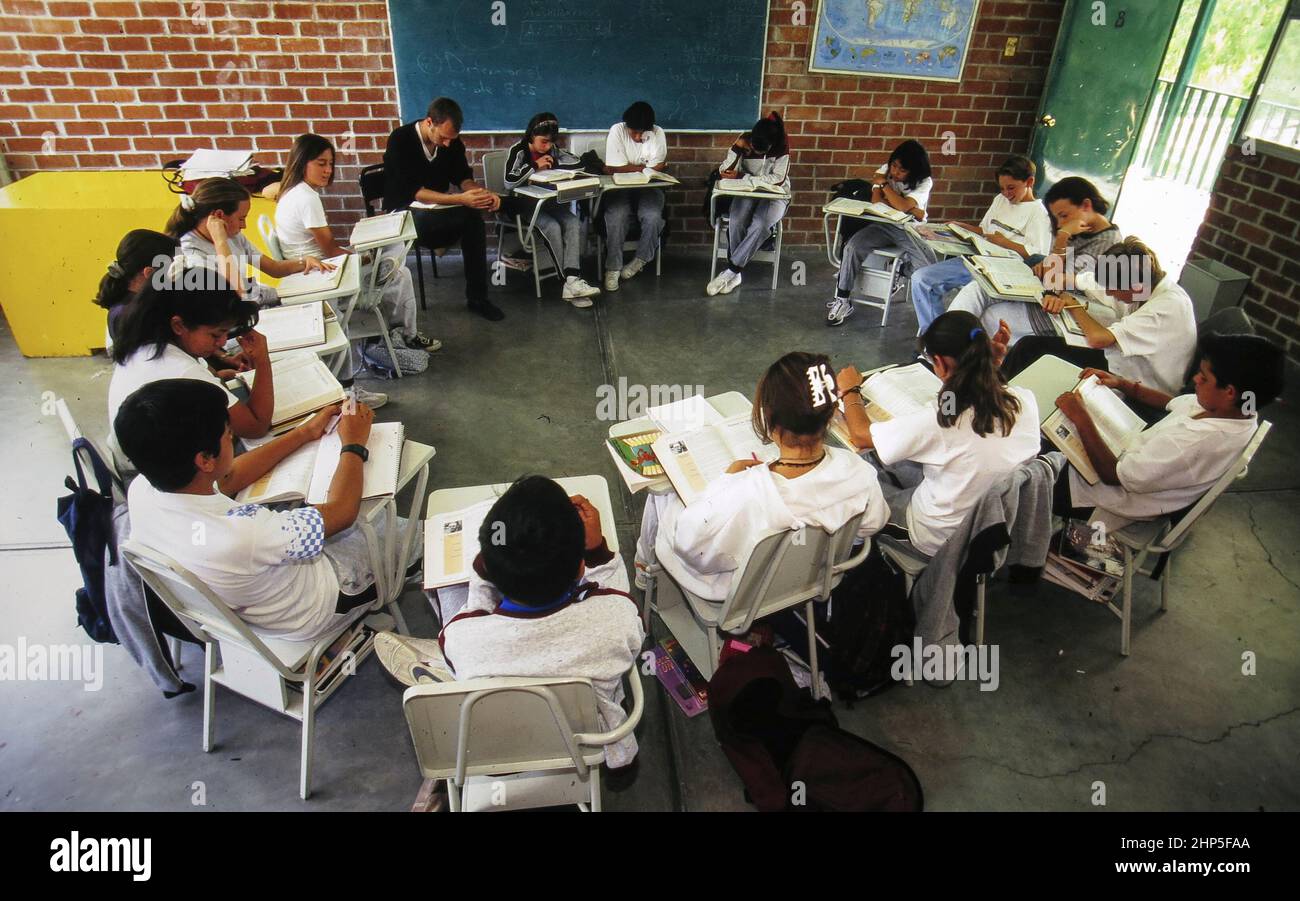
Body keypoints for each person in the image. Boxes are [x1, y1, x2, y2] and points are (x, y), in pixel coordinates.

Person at [378, 476, 644, 774]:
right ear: (581, 568)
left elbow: (476, 609)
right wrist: (597, 551)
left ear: (488, 570)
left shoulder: (461, 638)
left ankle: (432, 668)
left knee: (447, 598)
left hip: (498, 741)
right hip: (584, 741)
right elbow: (616, 598)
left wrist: (491, 559)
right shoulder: (616, 618)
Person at [117, 378, 409, 639]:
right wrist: (354, 444)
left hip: (250, 610)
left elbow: (230, 477)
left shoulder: (142, 488)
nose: (232, 438)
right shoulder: (241, 534)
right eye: (227, 434)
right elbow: (342, 513)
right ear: (204, 460)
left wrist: (305, 432)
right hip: (314, 608)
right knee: (404, 530)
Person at [636, 352, 890, 601]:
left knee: (664, 495)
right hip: (817, 576)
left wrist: (723, 484)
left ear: (771, 423)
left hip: (742, 593)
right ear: (832, 413)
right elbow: (871, 524)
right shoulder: (861, 472)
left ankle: (644, 568)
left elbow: (690, 549)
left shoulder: (743, 493)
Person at [837, 311, 1040, 557]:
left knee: (849, 485)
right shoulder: (1024, 400)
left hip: (935, 536)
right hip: (989, 526)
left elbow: (860, 435)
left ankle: (850, 559)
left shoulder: (944, 420)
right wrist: (989, 366)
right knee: (895, 460)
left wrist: (850, 390)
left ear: (941, 363)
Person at [1051, 333, 1284, 526]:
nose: (1195, 379)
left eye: (1203, 377)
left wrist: (1082, 418)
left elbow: (1113, 476)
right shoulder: (1240, 410)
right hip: (1133, 462)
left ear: (1229, 392)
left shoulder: (1193, 442)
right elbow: (1170, 402)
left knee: (1033, 462)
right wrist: (1121, 383)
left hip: (1106, 499)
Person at [276, 133, 438, 354]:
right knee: (401, 274)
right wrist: (364, 257)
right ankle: (407, 336)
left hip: (314, 268)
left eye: (331, 164)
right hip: (324, 276)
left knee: (391, 251)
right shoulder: (307, 199)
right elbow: (331, 251)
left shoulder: (291, 191)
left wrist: (364, 254)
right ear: (302, 162)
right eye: (321, 164)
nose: (327, 170)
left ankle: (397, 329)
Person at [1000, 238, 1198, 398]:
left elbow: (1098, 339)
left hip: (1142, 386)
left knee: (1037, 352)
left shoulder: (1167, 307)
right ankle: (1000, 390)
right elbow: (1086, 282)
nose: (1111, 295)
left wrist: (1072, 305)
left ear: (1135, 287)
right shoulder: (1143, 285)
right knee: (1030, 346)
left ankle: (1003, 397)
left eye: (1115, 291)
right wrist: (1054, 282)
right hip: (1123, 363)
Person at [107, 266, 273, 449]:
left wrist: (215, 378)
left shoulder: (147, 341)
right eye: (215, 335)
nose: (223, 342)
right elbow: (256, 426)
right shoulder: (180, 369)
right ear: (178, 325)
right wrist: (262, 360)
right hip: (163, 471)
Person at [949, 175, 1124, 341]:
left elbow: (1058, 280)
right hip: (1040, 291)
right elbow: (1052, 267)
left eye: (1064, 216)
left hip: (1062, 309)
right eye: (1057, 218)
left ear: (1086, 205)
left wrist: (1062, 238)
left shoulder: (1106, 243)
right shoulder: (1078, 229)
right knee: (976, 289)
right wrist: (1048, 263)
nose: (1061, 223)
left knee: (989, 318)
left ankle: (949, 356)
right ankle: (938, 349)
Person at [382, 96, 504, 321]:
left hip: (436, 209)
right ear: (430, 122)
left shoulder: (451, 142)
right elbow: (414, 192)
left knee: (473, 218)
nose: (448, 143)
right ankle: (441, 244)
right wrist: (461, 199)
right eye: (444, 137)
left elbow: (462, 177)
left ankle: (478, 298)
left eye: (452, 139)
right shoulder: (401, 139)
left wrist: (480, 195)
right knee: (461, 212)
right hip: (403, 213)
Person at [908, 155, 1052, 332]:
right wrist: (961, 227)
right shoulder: (1000, 200)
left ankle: (945, 342)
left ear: (1029, 182)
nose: (1006, 193)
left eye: (1011, 188)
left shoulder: (1039, 213)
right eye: (1002, 188)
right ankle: (932, 337)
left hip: (1003, 271)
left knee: (969, 296)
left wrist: (1005, 242)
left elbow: (1037, 258)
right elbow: (984, 231)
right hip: (979, 259)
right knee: (922, 279)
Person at [165, 177, 331, 309]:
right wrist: (220, 242)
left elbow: (274, 268)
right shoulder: (190, 254)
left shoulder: (233, 236)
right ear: (219, 215)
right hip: (239, 318)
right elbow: (238, 296)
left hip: (262, 301)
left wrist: (305, 261)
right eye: (241, 218)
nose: (244, 225)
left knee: (323, 304)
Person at [827, 139, 935, 326]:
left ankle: (900, 270)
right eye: (894, 166)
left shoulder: (924, 182)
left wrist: (886, 189)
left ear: (914, 172)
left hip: (909, 228)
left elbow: (900, 205)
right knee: (852, 247)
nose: (894, 172)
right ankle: (842, 299)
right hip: (882, 224)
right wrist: (908, 207)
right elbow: (877, 202)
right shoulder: (885, 169)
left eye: (902, 170)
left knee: (928, 268)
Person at [503, 112, 602, 307]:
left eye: (551, 142)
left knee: (572, 221)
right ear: (531, 135)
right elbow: (508, 181)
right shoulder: (519, 150)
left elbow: (578, 162)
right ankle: (570, 282)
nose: (547, 146)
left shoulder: (552, 149)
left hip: (548, 203)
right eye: (543, 142)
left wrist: (555, 161)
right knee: (552, 227)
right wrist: (533, 166)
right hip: (526, 206)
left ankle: (572, 283)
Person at [705, 111, 792, 297]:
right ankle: (736, 273)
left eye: (762, 151)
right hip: (745, 191)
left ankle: (732, 270)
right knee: (737, 219)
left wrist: (744, 177)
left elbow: (777, 180)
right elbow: (724, 171)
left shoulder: (781, 148)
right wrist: (737, 149)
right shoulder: (744, 140)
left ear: (771, 145)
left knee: (761, 225)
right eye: (754, 148)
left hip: (774, 195)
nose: (756, 152)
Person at [602, 100, 668, 293]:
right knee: (617, 215)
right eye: (634, 132)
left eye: (643, 133)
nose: (639, 137)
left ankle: (641, 259)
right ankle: (613, 267)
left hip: (649, 186)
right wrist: (646, 167)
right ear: (626, 126)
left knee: (653, 216)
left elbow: (658, 168)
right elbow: (614, 168)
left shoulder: (658, 133)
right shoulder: (617, 130)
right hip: (619, 187)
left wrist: (627, 167)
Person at [94, 229, 179, 348]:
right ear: (149, 273)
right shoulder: (137, 315)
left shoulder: (139, 303)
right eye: (171, 268)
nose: (175, 275)